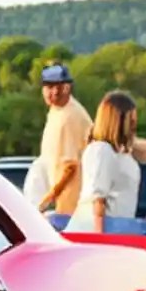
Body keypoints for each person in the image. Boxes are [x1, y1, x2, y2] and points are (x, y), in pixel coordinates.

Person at [67, 91, 142, 233]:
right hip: (96, 231)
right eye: (130, 120)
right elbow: (98, 198)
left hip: (116, 230)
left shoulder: (120, 153)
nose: (133, 125)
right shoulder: (101, 150)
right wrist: (100, 237)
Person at [36, 64, 93, 216]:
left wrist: (50, 197)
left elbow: (70, 166)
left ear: (68, 88)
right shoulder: (56, 111)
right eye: (50, 87)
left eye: (60, 87)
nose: (55, 92)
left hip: (70, 203)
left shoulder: (69, 116)